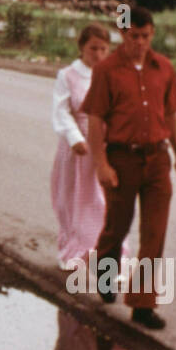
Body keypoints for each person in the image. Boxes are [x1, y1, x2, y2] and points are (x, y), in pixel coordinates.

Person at [82, 6, 176, 330]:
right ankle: (105, 271)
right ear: (122, 34)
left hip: (158, 160)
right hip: (122, 159)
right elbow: (96, 118)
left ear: (152, 34)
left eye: (145, 36)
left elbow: (170, 114)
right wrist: (100, 163)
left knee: (154, 234)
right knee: (117, 225)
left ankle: (143, 305)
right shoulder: (107, 70)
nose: (139, 43)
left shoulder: (164, 68)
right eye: (133, 37)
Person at [50, 23, 115, 271]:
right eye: (92, 48)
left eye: (103, 49)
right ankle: (71, 250)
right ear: (81, 48)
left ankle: (102, 250)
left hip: (104, 147)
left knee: (100, 200)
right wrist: (75, 137)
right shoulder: (67, 75)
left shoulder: (110, 75)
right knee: (71, 197)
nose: (97, 54)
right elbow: (62, 111)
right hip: (78, 146)